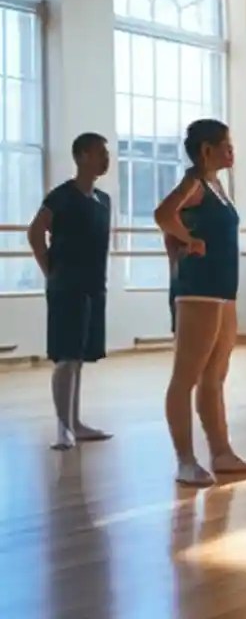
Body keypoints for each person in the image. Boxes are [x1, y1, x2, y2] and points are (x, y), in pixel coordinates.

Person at [155, 119, 246, 486]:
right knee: (186, 375)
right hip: (198, 287)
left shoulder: (217, 186)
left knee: (214, 375)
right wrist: (188, 240)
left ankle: (221, 452)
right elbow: (163, 214)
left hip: (222, 289)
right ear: (206, 150)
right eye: (226, 145)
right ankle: (185, 459)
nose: (232, 151)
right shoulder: (194, 182)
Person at [27, 132, 114, 450]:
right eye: (100, 153)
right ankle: (63, 426)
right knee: (66, 356)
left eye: (107, 153)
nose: (106, 158)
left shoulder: (103, 200)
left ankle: (75, 422)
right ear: (82, 157)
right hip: (67, 286)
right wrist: (51, 272)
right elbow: (36, 233)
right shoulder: (61, 196)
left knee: (79, 357)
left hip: (94, 286)